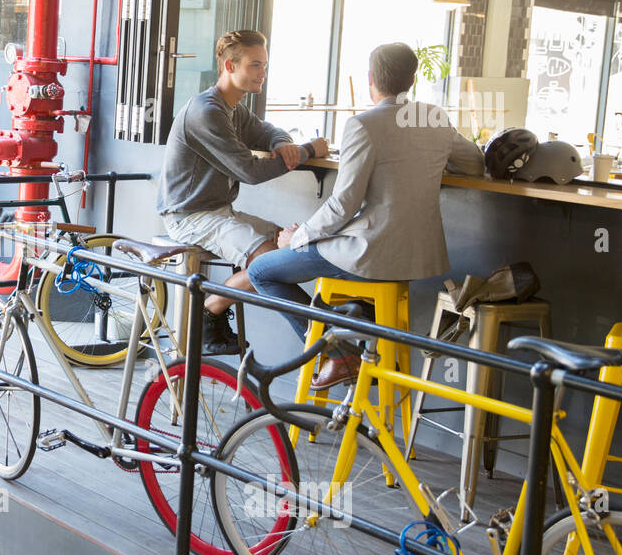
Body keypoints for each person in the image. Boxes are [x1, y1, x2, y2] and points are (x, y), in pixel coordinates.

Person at [246, 42, 486, 387]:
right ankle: (365, 341)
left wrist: (296, 239)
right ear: (413, 79)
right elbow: (475, 163)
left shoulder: (363, 125)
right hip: (418, 258)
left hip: (370, 254)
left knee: (262, 272)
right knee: (334, 273)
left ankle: (340, 356)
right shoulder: (434, 118)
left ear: (370, 79)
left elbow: (343, 205)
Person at [156, 29, 329, 354]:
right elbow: (248, 171)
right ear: (229, 65)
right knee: (269, 258)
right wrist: (305, 151)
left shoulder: (232, 108)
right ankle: (211, 310)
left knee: (288, 243)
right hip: (189, 217)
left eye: (264, 65)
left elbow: (264, 129)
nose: (263, 73)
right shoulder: (207, 112)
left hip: (216, 212)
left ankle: (325, 333)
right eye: (255, 65)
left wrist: (283, 143)